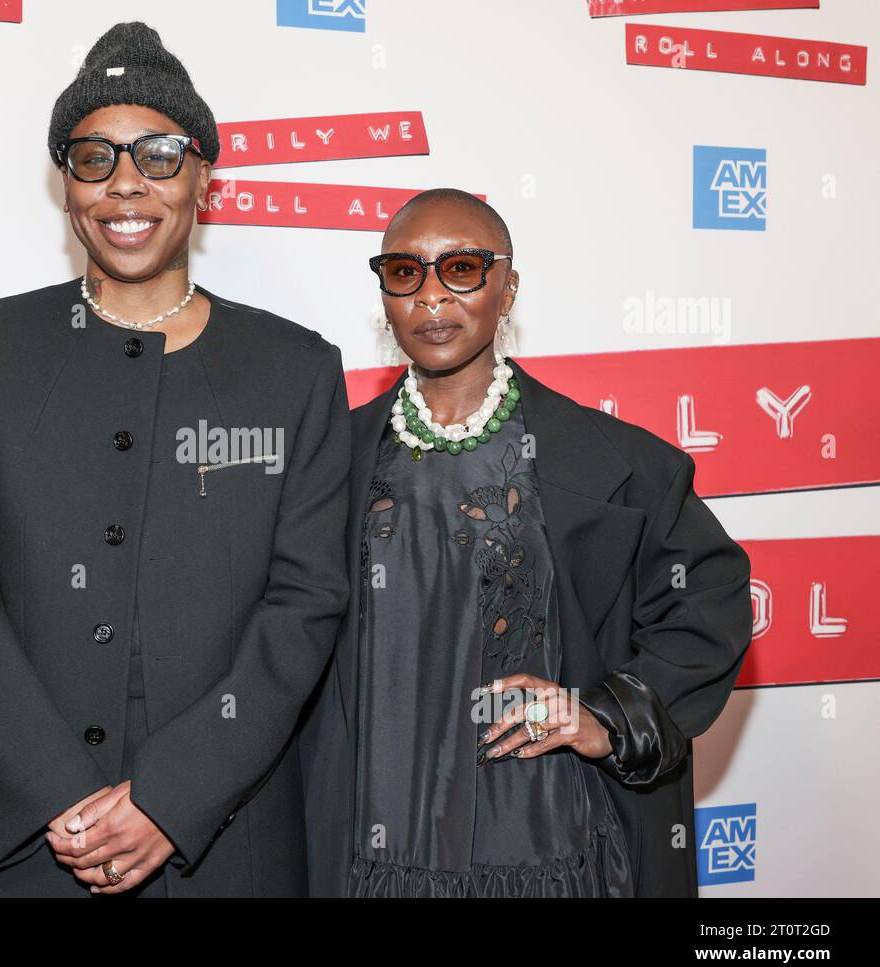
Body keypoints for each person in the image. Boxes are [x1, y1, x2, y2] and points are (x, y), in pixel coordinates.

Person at [0, 21, 350, 897]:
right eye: (93, 157)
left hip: (221, 842)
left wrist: (173, 799)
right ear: (64, 183)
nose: (126, 183)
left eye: (159, 153)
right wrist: (60, 793)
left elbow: (307, 605)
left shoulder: (294, 371)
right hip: (21, 844)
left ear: (204, 177)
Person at [299, 188, 753, 897]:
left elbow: (711, 601)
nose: (431, 298)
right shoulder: (329, 462)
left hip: (544, 839)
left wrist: (607, 714)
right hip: (371, 842)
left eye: (462, 268)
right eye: (404, 272)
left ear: (508, 287)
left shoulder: (615, 461)